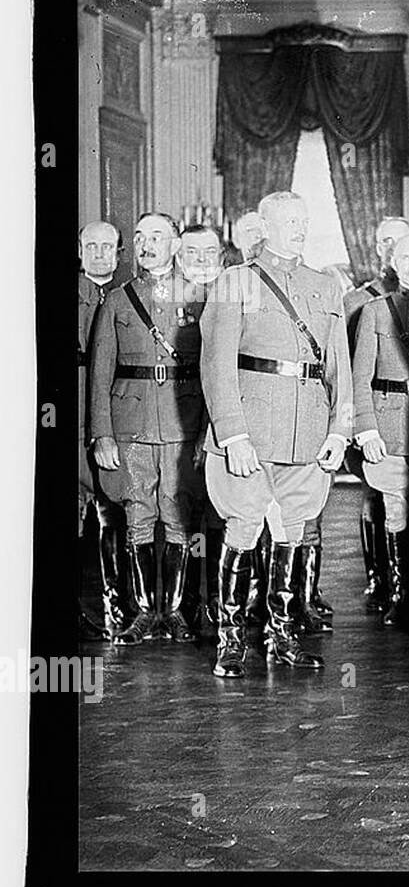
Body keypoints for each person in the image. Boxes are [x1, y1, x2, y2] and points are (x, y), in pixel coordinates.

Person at [200, 191, 352, 678]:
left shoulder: (325, 286)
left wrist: (340, 428)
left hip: (306, 429)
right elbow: (216, 365)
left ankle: (282, 634)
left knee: (294, 528)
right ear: (264, 227)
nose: (299, 229)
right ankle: (230, 639)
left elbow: (339, 368)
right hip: (251, 428)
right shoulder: (234, 281)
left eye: (304, 220)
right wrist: (232, 434)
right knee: (244, 526)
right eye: (288, 221)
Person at [89, 212, 206, 646]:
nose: (145, 244)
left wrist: (208, 434)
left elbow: (211, 372)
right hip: (130, 426)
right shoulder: (118, 301)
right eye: (139, 237)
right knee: (138, 514)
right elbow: (100, 374)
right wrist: (101, 433)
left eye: (156, 236)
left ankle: (175, 612)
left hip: (183, 422)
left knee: (179, 514)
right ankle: (141, 612)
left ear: (176, 244)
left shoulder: (199, 298)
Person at [352, 232, 409, 629]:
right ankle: (397, 596)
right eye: (404, 258)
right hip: (387, 422)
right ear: (392, 260)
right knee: (393, 509)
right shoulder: (375, 310)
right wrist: (366, 428)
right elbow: (360, 377)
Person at [342, 216, 409, 614]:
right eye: (386, 242)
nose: (392, 249)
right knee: (376, 497)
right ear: (377, 250)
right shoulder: (358, 301)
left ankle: (407, 585)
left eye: (400, 242)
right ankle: (378, 577)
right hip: (375, 415)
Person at [78, 220, 128, 640]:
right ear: (79, 252)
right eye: (90, 246)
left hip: (115, 413)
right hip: (70, 410)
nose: (98, 253)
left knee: (113, 509)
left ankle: (117, 605)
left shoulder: (128, 298)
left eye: (106, 246)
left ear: (119, 252)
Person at [176, 224, 227, 633]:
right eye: (191, 251)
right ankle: (191, 602)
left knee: (224, 516)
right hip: (179, 420)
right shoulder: (169, 298)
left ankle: (225, 602)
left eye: (209, 251)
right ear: (179, 256)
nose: (200, 259)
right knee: (188, 518)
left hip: (221, 424)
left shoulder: (234, 296)